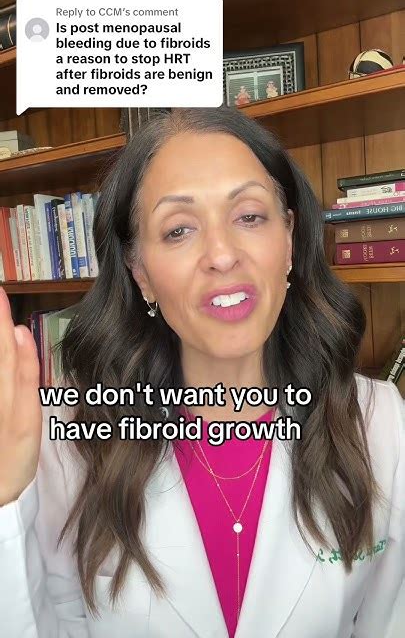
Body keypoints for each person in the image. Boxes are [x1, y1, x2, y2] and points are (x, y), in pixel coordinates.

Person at [0, 105, 404, 638]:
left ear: (288, 240)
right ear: (140, 272)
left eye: (249, 217)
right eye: (178, 230)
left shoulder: (379, 423)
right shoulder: (68, 446)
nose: (222, 255)